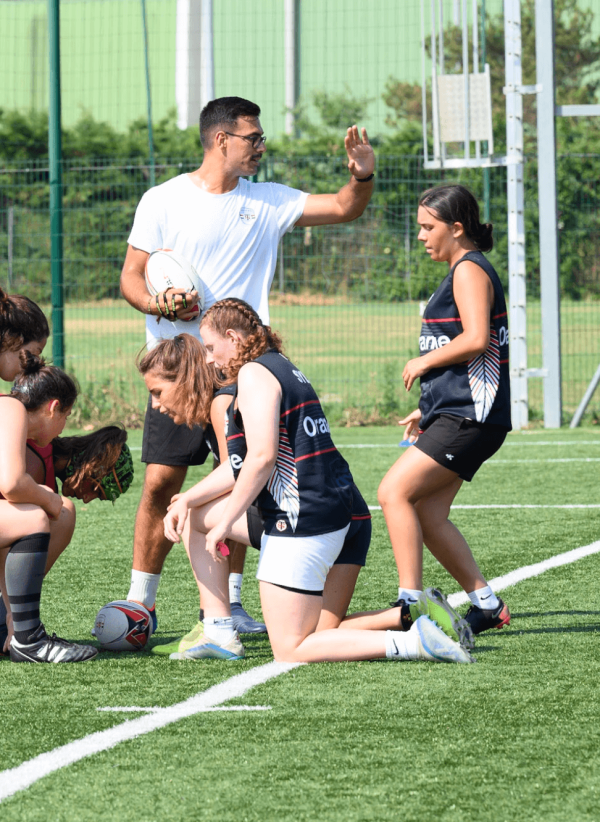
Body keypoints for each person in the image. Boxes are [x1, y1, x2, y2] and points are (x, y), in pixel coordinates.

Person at [119, 95, 376, 633]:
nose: (261, 146)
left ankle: (229, 605)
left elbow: (344, 207)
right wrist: (157, 303)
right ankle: (140, 601)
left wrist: (361, 176)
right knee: (161, 482)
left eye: (261, 138)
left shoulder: (269, 200)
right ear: (221, 140)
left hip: (237, 372)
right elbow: (131, 277)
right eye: (252, 138)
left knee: (241, 477)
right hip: (177, 369)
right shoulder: (162, 200)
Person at [137, 300, 474, 665]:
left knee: (290, 648)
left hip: (303, 518)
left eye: (211, 347)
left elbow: (259, 459)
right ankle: (408, 617)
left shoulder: (251, 375)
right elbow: (249, 462)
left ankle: (415, 641)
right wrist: (190, 499)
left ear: (232, 338)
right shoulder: (280, 365)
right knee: (320, 634)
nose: (208, 358)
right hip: (341, 513)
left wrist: (222, 521)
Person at [377, 184, 512, 636]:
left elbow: (475, 339)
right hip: (459, 412)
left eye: (427, 227)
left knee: (393, 492)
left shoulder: (469, 270)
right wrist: (428, 408)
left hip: (471, 416)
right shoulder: (460, 270)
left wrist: (423, 362)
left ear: (456, 228)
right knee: (428, 514)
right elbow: (464, 355)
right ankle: (487, 605)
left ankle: (410, 604)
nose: (420, 236)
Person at [0, 425, 135, 651]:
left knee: (60, 513)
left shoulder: (46, 469)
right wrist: (14, 618)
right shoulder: (36, 458)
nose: (89, 499)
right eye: (96, 488)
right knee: (60, 513)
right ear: (91, 466)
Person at [0, 352, 97, 663]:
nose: (64, 426)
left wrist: (11, 614)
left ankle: (12, 625)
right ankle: (30, 641)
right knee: (36, 516)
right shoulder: (11, 408)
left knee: (55, 513)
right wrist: (49, 498)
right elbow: (12, 484)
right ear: (54, 407)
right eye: (66, 416)